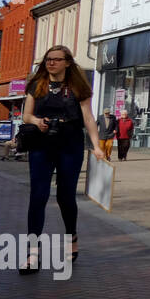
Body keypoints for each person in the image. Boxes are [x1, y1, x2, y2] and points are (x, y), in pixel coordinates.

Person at [19, 45, 104, 273]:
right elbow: (26, 114)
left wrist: (97, 146)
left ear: (67, 62)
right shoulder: (37, 85)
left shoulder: (77, 87)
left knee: (66, 197)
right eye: (48, 60)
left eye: (56, 60)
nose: (51, 63)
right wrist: (37, 122)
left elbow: (88, 118)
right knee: (38, 196)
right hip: (41, 144)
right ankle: (32, 253)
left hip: (70, 145)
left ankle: (72, 235)